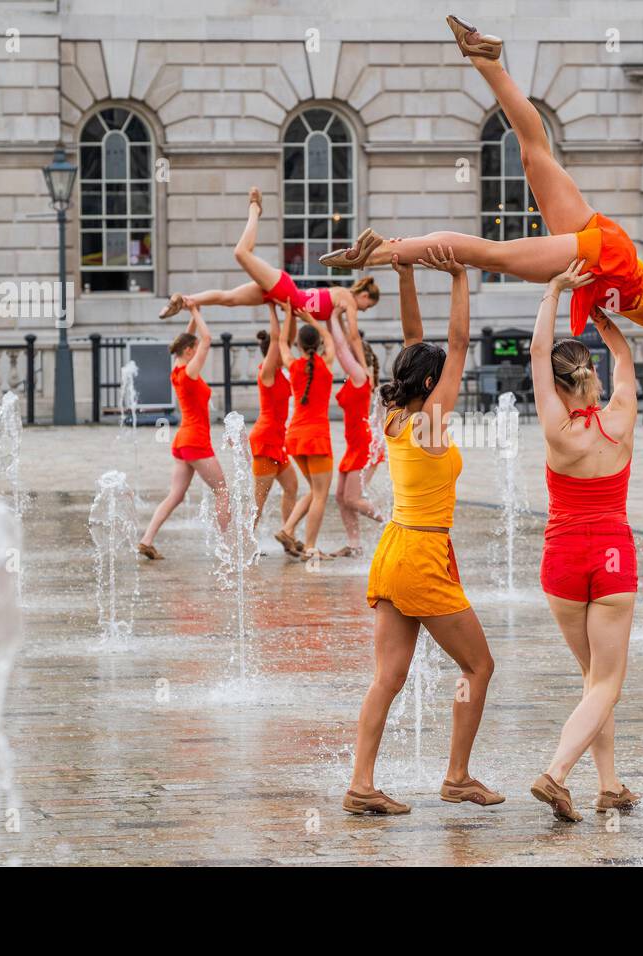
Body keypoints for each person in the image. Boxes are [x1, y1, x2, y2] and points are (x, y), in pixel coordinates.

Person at [320, 15, 643, 454]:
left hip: (611, 251)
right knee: (496, 256)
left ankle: (487, 59)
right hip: (609, 264)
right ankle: (384, 251)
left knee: (534, 156)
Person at [344, 247, 501, 815]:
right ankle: (457, 775)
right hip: (423, 553)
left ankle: (361, 785)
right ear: (432, 383)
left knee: (387, 676)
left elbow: (421, 347)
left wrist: (405, 273)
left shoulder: (394, 417)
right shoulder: (432, 422)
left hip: (392, 548)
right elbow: (455, 345)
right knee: (478, 667)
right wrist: (460, 277)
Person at [526, 260, 642, 824]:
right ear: (590, 375)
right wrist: (604, 317)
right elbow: (624, 360)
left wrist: (553, 292)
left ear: (557, 382)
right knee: (607, 682)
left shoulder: (556, 427)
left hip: (563, 559)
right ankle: (556, 774)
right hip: (614, 555)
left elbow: (535, 357)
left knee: (594, 679)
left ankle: (610, 784)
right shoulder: (620, 417)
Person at [160, 185, 379, 340]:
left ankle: (184, 300)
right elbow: (353, 337)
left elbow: (337, 332)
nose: (364, 311)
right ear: (364, 296)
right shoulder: (347, 299)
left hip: (283, 299)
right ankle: (254, 210)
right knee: (241, 253)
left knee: (229, 299)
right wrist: (364, 367)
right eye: (367, 307)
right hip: (286, 291)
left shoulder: (341, 301)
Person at [138, 304, 230, 560]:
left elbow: (187, 339)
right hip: (196, 441)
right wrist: (195, 311)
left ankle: (147, 539)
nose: (197, 352)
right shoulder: (190, 372)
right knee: (223, 491)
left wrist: (192, 314)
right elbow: (208, 339)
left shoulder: (176, 370)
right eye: (194, 349)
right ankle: (228, 547)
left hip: (181, 442)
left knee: (175, 495)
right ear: (189, 351)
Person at [275, 309, 337, 560]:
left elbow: (281, 341)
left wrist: (288, 314)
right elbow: (331, 341)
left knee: (314, 490)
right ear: (318, 344)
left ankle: (288, 529)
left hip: (295, 436)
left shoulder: (293, 364)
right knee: (321, 494)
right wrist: (312, 319)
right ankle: (310, 547)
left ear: (298, 344)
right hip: (317, 437)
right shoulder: (326, 364)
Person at [329, 312, 387, 557]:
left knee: (352, 499)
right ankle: (354, 545)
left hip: (363, 443)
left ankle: (393, 523)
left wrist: (332, 319)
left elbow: (342, 346)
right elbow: (344, 346)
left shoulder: (360, 377)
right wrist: (338, 321)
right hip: (355, 443)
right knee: (341, 498)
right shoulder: (359, 378)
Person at [249, 303, 299, 543]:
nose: (285, 349)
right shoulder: (266, 371)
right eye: (279, 348)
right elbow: (279, 338)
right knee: (259, 501)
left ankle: (288, 535)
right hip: (265, 439)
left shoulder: (280, 371)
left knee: (291, 487)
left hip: (278, 439)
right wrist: (272, 308)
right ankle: (243, 544)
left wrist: (291, 313)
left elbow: (287, 338)